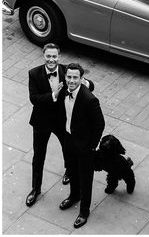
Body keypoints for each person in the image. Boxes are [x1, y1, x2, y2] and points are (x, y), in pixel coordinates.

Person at [25, 43, 94, 207]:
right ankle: (36, 189)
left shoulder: (66, 71)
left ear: (59, 56)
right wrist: (54, 95)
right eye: (48, 56)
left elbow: (90, 85)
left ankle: (69, 171)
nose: (51, 59)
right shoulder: (34, 73)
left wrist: (85, 83)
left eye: (54, 56)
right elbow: (34, 99)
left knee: (68, 151)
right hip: (41, 122)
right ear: (43, 56)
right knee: (38, 156)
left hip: (63, 122)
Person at [58, 63, 105, 229]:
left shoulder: (89, 99)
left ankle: (84, 211)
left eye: (75, 77)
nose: (71, 80)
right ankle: (73, 196)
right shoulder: (63, 90)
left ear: (81, 79)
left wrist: (91, 146)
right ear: (65, 77)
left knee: (86, 179)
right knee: (71, 171)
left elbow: (100, 124)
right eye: (69, 77)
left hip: (85, 146)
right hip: (68, 140)